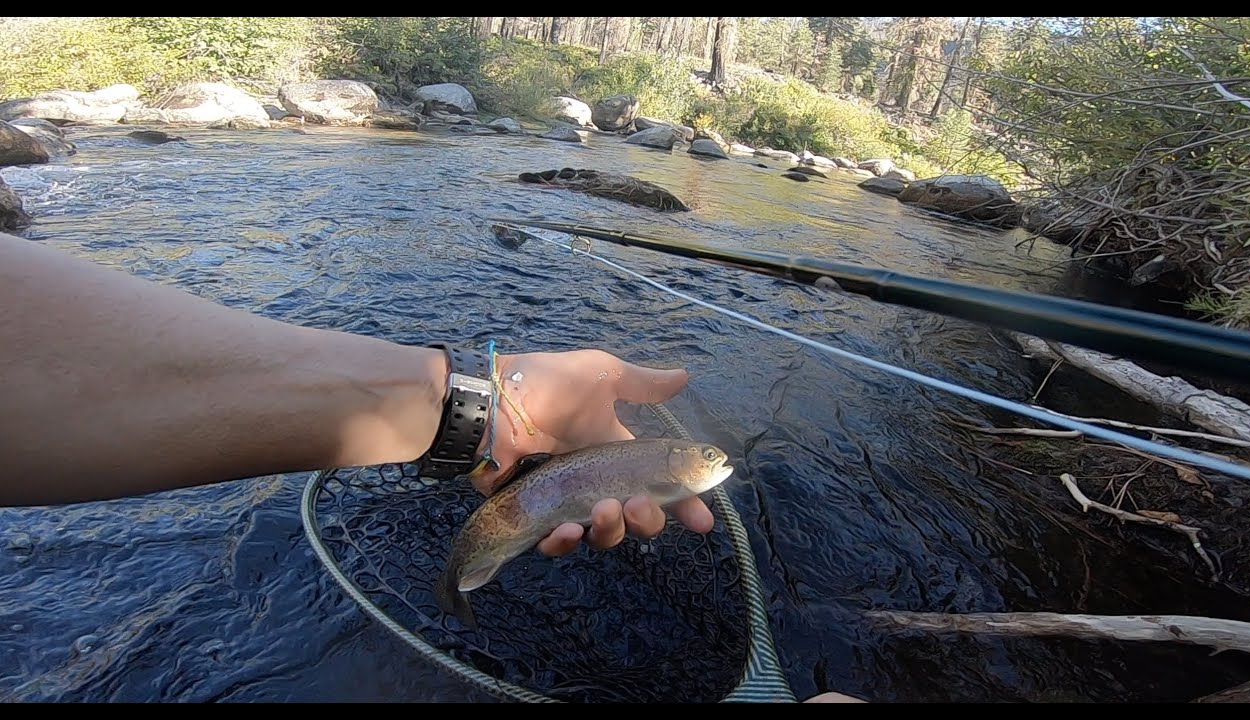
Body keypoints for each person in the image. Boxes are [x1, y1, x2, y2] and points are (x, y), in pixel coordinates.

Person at [0, 231, 864, 702]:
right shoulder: (672, 471)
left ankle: (475, 563)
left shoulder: (667, 473)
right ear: (678, 462)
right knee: (550, 524)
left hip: (527, 473)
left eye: (708, 461)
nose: (713, 467)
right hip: (529, 486)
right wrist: (490, 408)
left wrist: (489, 409)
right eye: (706, 458)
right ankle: (467, 572)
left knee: (557, 520)